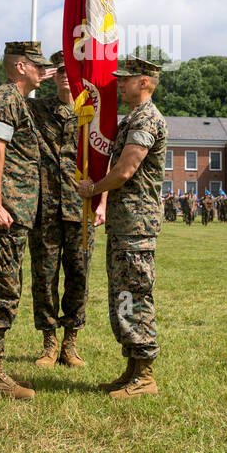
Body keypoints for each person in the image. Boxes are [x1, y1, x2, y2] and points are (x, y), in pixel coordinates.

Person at [77, 56, 168, 399]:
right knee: (122, 296)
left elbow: (125, 171)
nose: (119, 83)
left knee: (135, 295)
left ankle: (145, 376)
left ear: (144, 82)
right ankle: (132, 370)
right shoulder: (132, 118)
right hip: (124, 223)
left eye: (126, 79)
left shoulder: (147, 119)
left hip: (136, 225)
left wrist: (93, 189)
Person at [0, 40, 53, 400]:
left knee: (5, 286)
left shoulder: (17, 101)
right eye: (37, 65)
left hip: (12, 214)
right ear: (20, 66)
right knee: (0, 289)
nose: (43, 71)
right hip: (3, 214)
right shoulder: (6, 100)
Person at [28, 50, 106, 368]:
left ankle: (70, 343)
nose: (63, 74)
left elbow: (105, 157)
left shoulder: (91, 113)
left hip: (80, 210)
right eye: (57, 69)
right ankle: (49, 342)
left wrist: (103, 201)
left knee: (78, 275)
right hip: (44, 208)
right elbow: (8, 99)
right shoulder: (35, 110)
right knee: (44, 277)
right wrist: (34, 74)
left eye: (68, 69)